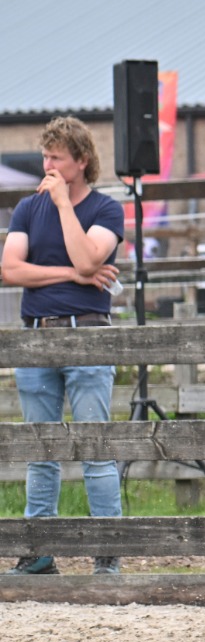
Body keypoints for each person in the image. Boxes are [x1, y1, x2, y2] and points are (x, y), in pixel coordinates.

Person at [2, 117, 125, 575]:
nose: (47, 165)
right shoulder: (26, 209)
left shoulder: (106, 210)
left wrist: (63, 206)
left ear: (81, 162)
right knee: (42, 447)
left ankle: (107, 552)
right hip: (37, 332)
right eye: (45, 156)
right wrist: (73, 276)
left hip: (86, 330)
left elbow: (89, 256)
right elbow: (11, 269)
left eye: (56, 158)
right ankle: (40, 549)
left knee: (95, 445)